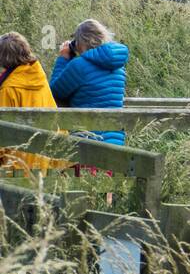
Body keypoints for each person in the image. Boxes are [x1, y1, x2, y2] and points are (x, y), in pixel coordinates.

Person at [49, 19, 129, 145]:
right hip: (116, 141)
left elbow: (55, 91)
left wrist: (63, 59)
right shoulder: (118, 67)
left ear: (80, 42)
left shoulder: (79, 65)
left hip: (88, 141)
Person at [0, 32, 59, 172]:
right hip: (46, 162)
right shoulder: (39, 78)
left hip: (18, 165)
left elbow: (2, 138)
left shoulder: (8, 88)